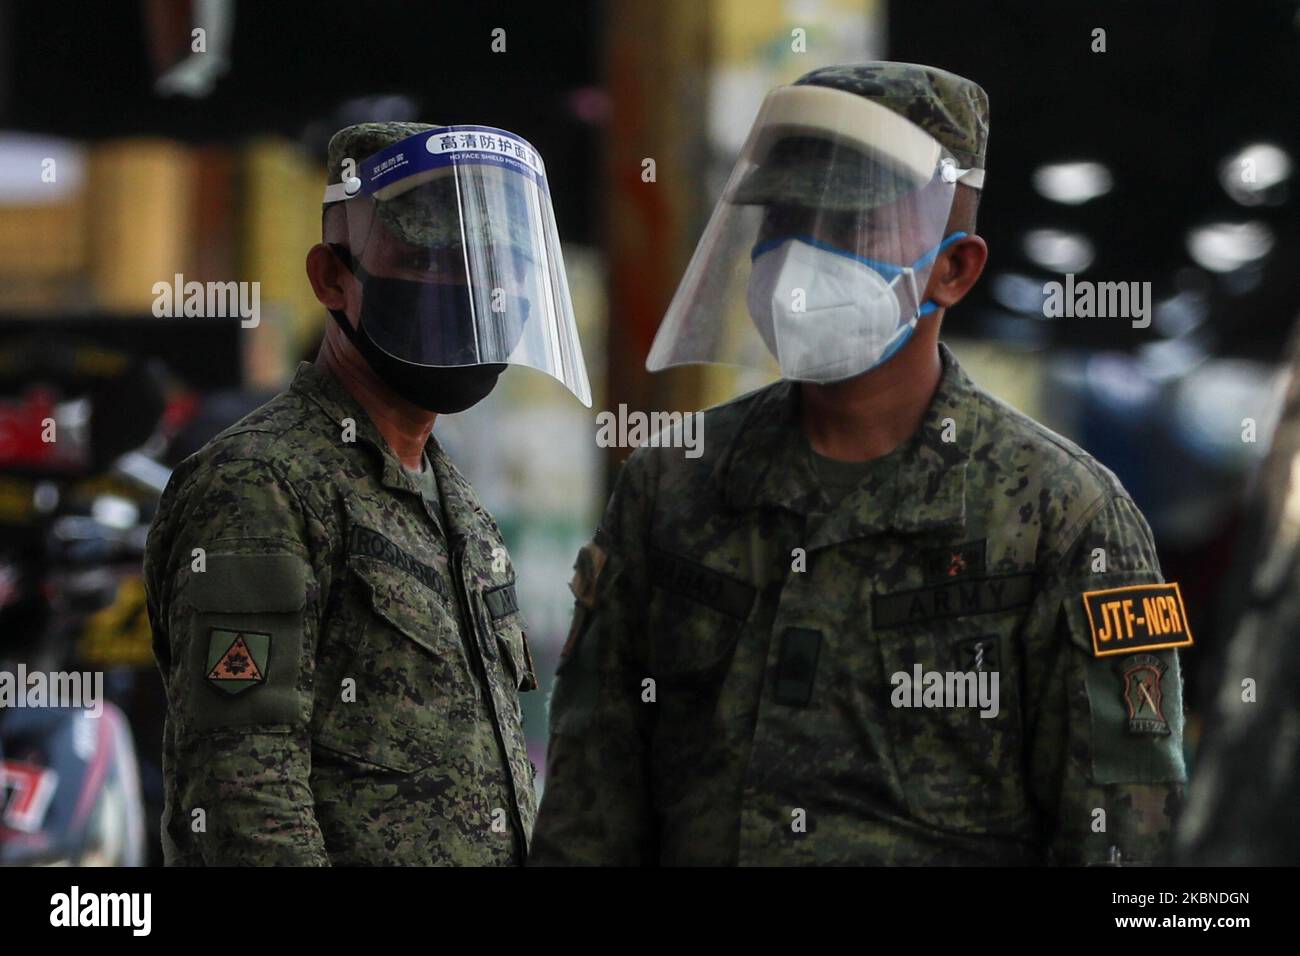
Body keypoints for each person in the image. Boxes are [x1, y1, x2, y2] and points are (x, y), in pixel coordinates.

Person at [531, 64, 1191, 865]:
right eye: (786, 216)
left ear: (955, 268)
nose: (803, 257)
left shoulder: (1066, 519)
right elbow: (587, 810)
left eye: (854, 224)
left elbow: (1123, 843)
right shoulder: (674, 486)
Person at [145, 121, 591, 865]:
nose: (472, 294)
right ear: (332, 278)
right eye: (428, 262)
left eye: (494, 268)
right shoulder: (262, 485)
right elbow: (244, 794)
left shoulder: (455, 506)